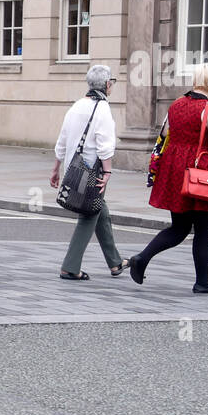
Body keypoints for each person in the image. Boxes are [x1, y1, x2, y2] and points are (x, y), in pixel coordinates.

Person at [128, 63, 208, 293]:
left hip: (174, 170)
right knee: (204, 228)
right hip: (199, 172)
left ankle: (141, 259)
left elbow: (164, 133)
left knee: (180, 227)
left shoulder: (176, 104)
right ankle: (202, 282)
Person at [50, 64, 128, 280]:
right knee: (89, 214)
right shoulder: (102, 108)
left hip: (73, 169)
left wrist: (56, 168)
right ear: (107, 84)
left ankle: (115, 262)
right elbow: (105, 145)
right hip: (92, 172)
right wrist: (108, 173)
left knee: (99, 210)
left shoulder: (76, 106)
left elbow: (62, 140)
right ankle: (70, 267)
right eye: (112, 82)